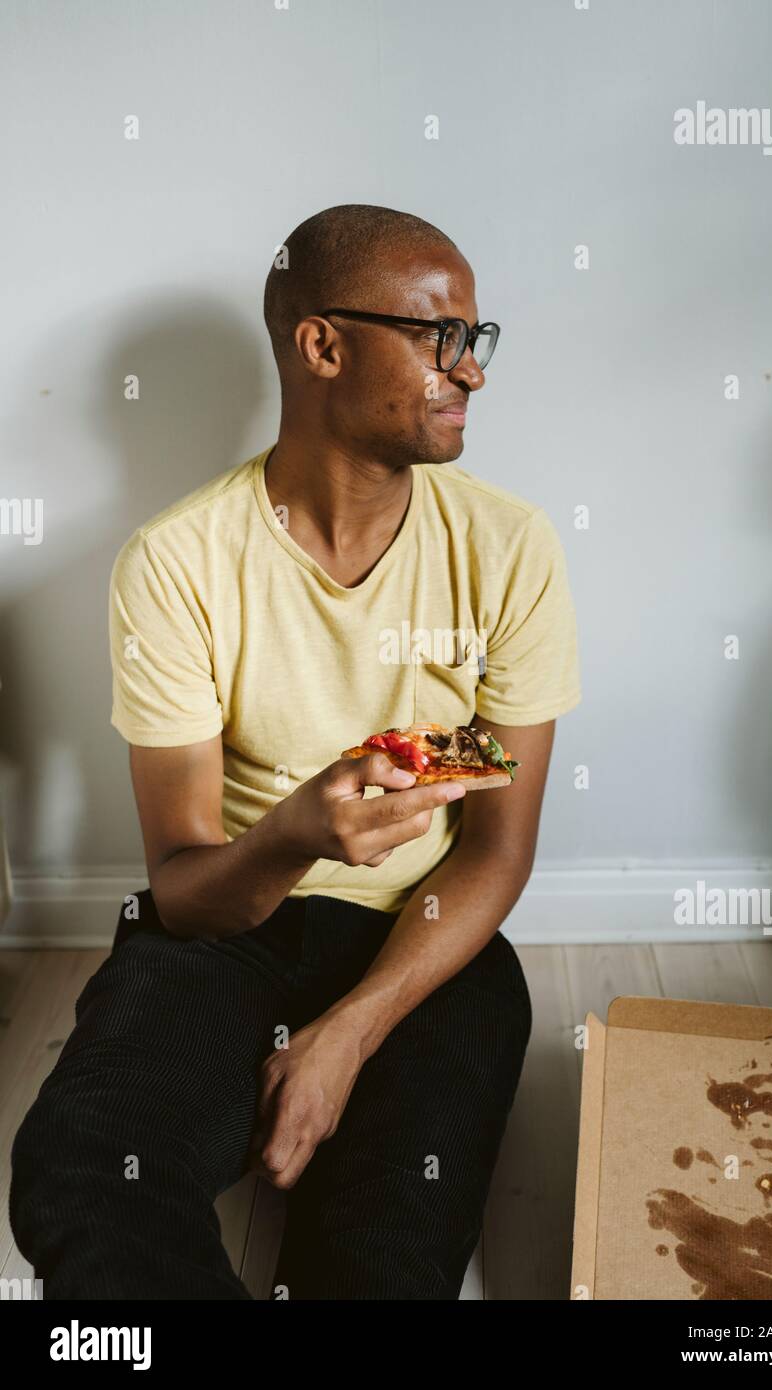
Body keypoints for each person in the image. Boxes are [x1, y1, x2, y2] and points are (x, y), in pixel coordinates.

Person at [10, 203, 581, 1300]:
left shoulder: (510, 549)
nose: (470, 372)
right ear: (322, 345)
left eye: (477, 337)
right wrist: (290, 834)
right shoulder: (175, 562)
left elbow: (496, 855)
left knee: (385, 1254)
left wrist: (345, 1035)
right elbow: (182, 892)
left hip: (426, 948)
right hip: (230, 937)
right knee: (79, 1172)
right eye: (437, 337)